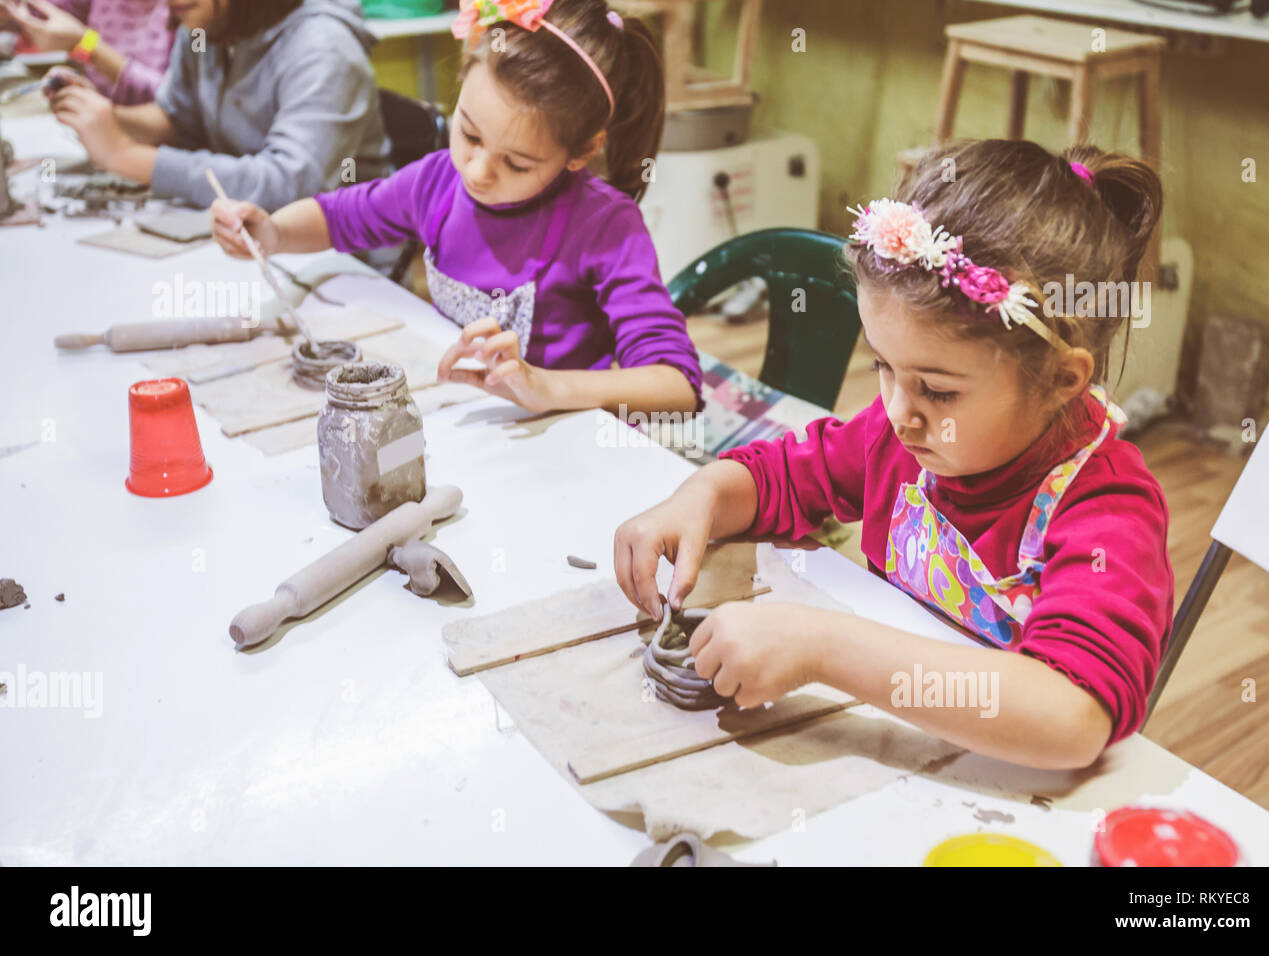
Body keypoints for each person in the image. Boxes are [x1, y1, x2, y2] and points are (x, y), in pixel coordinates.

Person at [615, 139, 1173, 769]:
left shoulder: (1107, 511)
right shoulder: (901, 434)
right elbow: (782, 479)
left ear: (1062, 379)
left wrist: (823, 648)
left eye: (937, 389)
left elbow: (1071, 716)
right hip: (900, 754)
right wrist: (700, 498)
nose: (899, 411)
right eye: (882, 366)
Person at [211, 0, 700, 417]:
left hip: (560, 440)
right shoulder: (437, 181)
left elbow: (676, 385)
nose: (478, 172)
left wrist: (546, 386)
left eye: (517, 163)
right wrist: (273, 232)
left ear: (582, 152)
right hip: (458, 415)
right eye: (468, 133)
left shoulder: (606, 226)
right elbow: (341, 216)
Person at [48, 0, 389, 209]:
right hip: (250, 231)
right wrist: (105, 117)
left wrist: (125, 155)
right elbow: (178, 120)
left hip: (348, 261)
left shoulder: (324, 48)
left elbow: (287, 187)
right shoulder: (205, 29)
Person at [0, 0, 170, 104]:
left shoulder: (180, 8)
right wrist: (11, 10)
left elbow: (173, 104)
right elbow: (42, 13)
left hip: (147, 138)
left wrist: (86, 45)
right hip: (100, 119)